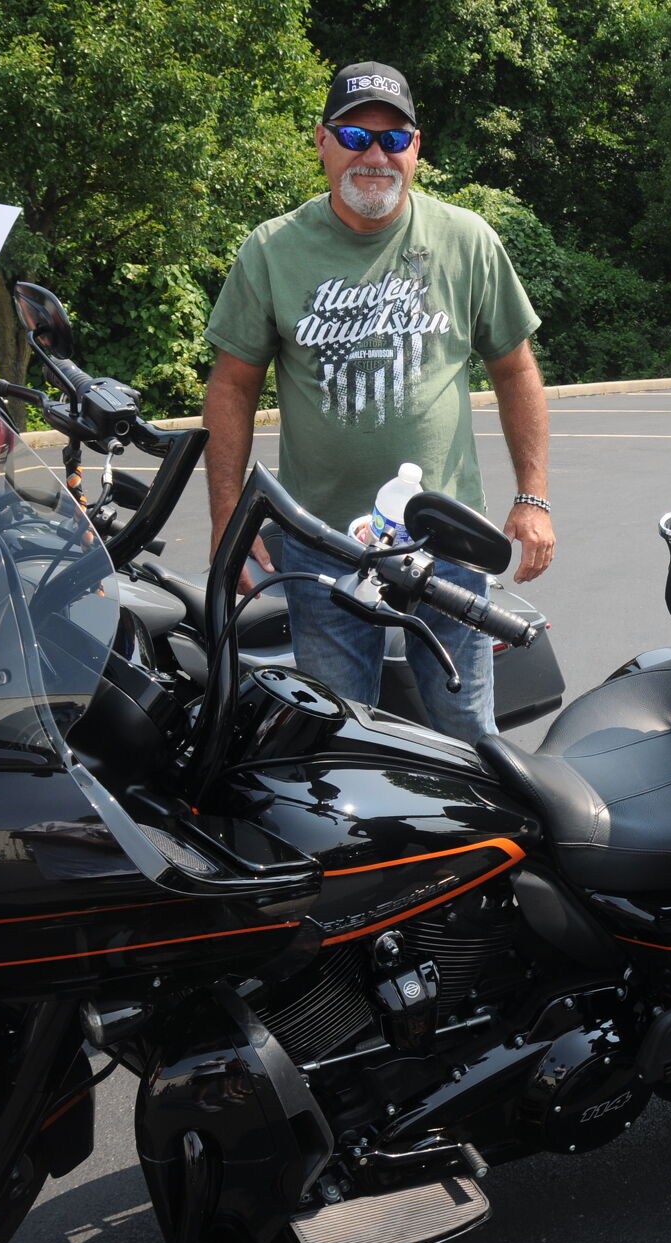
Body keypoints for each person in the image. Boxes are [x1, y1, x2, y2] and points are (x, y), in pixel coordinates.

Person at [202, 61, 553, 745]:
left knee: (468, 730)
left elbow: (515, 370)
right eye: (356, 135)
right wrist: (226, 525)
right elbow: (232, 388)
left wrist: (532, 497)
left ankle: (480, 852)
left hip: (445, 542)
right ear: (322, 141)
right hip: (322, 546)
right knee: (334, 734)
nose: (374, 155)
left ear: (416, 149)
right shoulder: (273, 250)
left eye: (393, 141)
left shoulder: (465, 241)